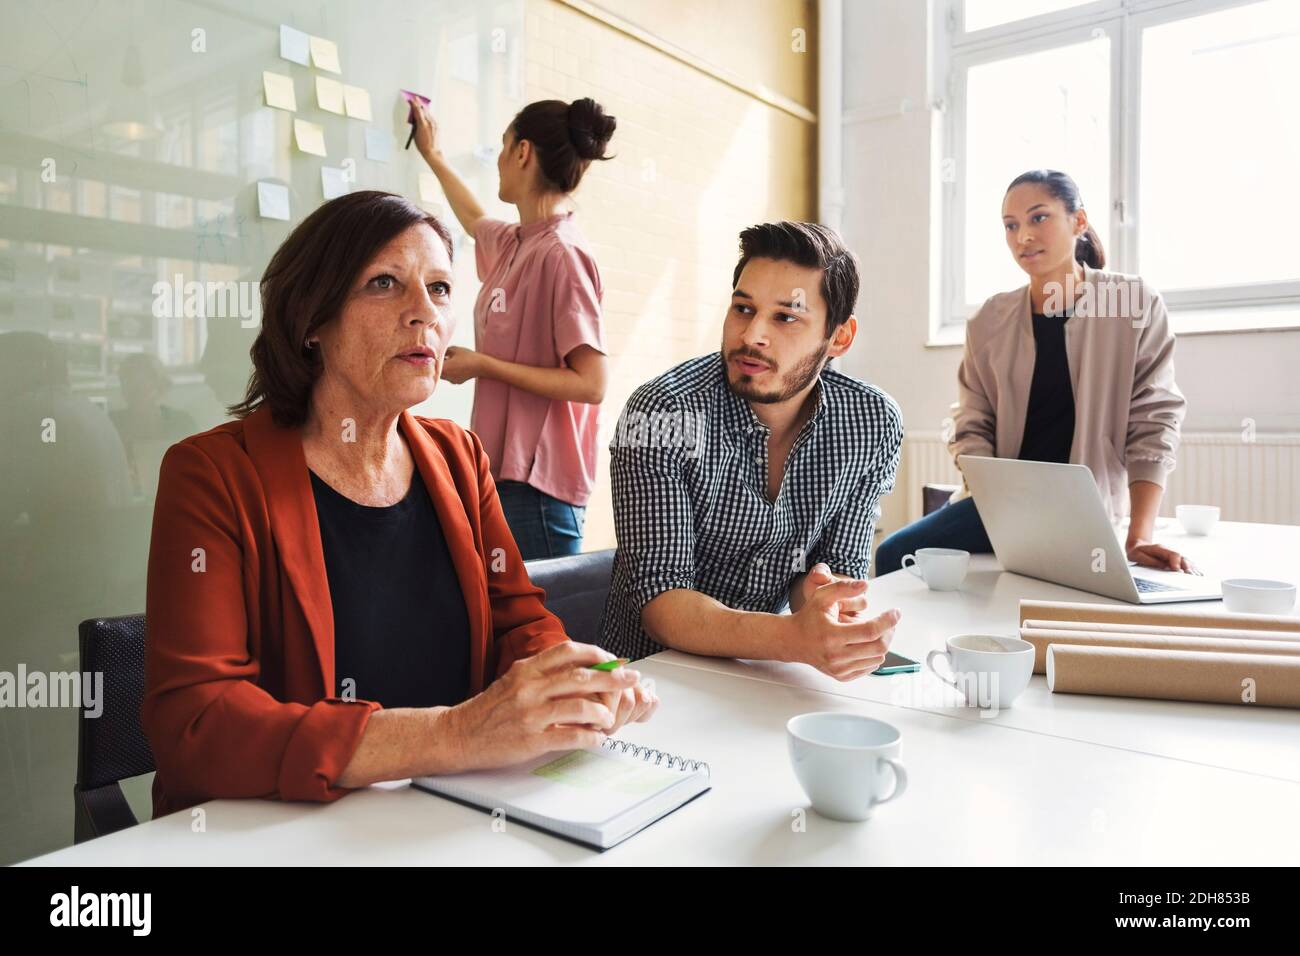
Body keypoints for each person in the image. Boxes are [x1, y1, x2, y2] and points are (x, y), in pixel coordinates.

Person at [142, 191, 656, 817]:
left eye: (440, 289)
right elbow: (197, 725)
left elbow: (517, 624)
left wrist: (569, 678)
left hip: (442, 815)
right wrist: (456, 734)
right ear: (310, 318)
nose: (425, 316)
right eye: (384, 284)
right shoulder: (214, 474)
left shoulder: (459, 456)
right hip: (284, 831)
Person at [599, 221, 904, 679]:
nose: (752, 336)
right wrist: (793, 639)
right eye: (743, 308)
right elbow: (662, 602)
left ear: (838, 338)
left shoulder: (871, 423)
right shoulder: (662, 413)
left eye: (785, 317)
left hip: (766, 680)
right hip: (651, 683)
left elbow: (832, 573)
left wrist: (822, 601)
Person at [875, 169, 1189, 575]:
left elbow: (1155, 421)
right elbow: (971, 421)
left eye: (1039, 218)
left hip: (1088, 512)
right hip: (1003, 506)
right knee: (893, 555)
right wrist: (994, 498)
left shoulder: (1131, 303)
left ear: (1078, 221)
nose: (1023, 236)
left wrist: (1140, 536)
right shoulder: (989, 319)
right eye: (1011, 225)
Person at [412, 97, 614, 558]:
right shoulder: (517, 242)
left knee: (538, 629)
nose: (499, 162)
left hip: (540, 492)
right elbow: (472, 219)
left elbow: (591, 383)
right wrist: (432, 155)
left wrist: (484, 365)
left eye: (503, 147)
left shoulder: (563, 254)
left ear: (522, 152)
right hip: (505, 477)